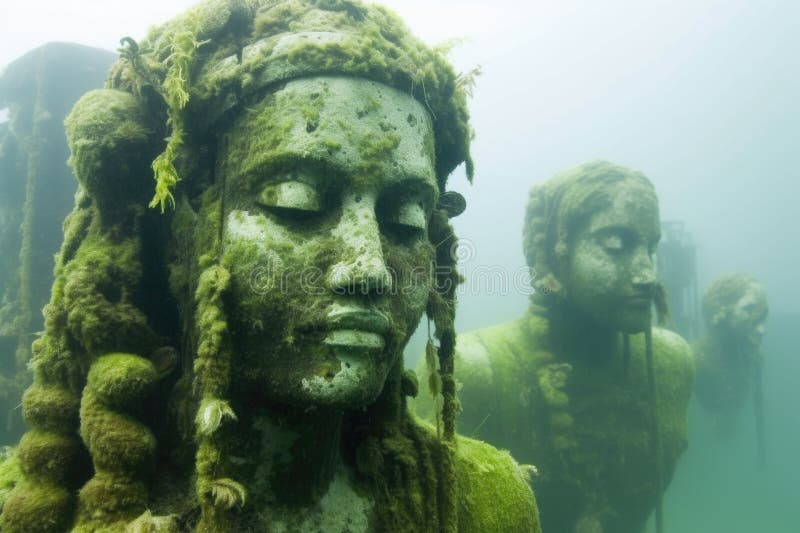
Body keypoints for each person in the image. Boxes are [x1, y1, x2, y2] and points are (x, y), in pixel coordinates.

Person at [0, 1, 540, 531]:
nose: (368, 265)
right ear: (176, 235)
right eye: (295, 202)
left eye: (405, 220)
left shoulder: (486, 502)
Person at [417, 160, 694, 533]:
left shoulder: (673, 362)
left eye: (651, 247)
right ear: (551, 252)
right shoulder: (475, 371)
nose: (647, 274)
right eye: (615, 244)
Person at [694, 273, 768, 442]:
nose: (761, 329)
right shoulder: (695, 361)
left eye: (762, 312)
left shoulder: (751, 357)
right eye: (748, 308)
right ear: (721, 311)